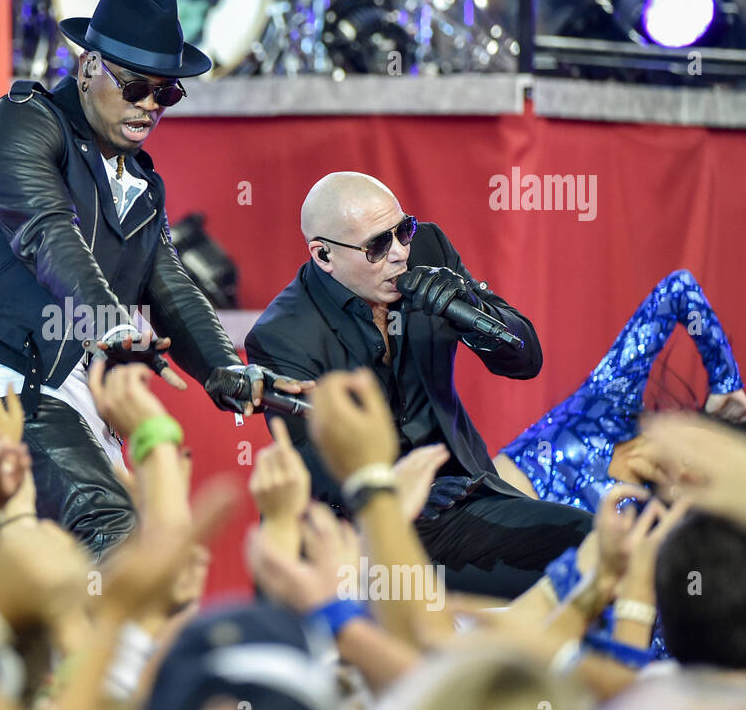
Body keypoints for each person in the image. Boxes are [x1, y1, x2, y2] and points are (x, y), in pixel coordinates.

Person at [0, 0, 296, 556]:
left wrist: (226, 369)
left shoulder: (140, 180)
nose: (150, 105)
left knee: (51, 577)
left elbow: (165, 277)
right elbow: (46, 233)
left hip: (63, 389)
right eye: (135, 87)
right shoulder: (20, 121)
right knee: (117, 542)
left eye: (166, 94)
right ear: (87, 64)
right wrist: (110, 322)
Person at [244, 171, 591, 598]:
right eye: (377, 245)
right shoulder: (284, 334)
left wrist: (470, 306)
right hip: (362, 533)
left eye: (403, 230)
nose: (400, 254)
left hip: (458, 507)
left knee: (595, 544)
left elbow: (525, 360)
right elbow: (322, 467)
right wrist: (400, 490)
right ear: (323, 255)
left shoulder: (429, 248)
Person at [496, 269, 745, 512]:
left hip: (501, 551)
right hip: (469, 513)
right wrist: (725, 380)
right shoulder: (612, 401)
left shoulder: (642, 518)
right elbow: (679, 289)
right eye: (696, 453)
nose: (687, 471)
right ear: (692, 424)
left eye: (701, 478)